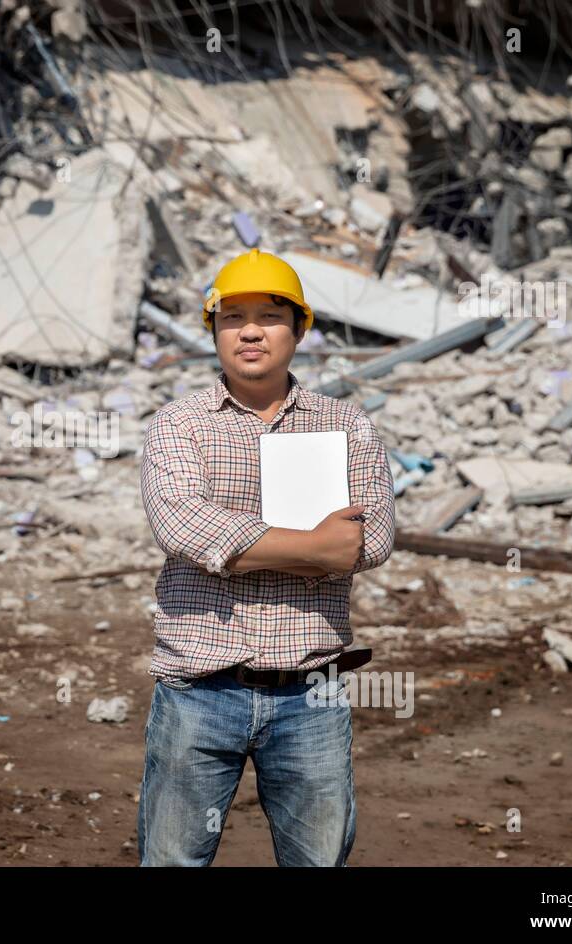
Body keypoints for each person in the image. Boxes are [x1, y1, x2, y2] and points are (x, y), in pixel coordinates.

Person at [136, 248, 395, 866]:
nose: (250, 330)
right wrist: (315, 549)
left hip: (312, 693)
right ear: (215, 331)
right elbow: (181, 527)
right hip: (198, 689)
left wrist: (234, 550)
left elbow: (372, 541)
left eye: (269, 316)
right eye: (232, 317)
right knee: (172, 861)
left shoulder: (346, 428)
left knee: (318, 862)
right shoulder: (179, 426)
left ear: (300, 329)